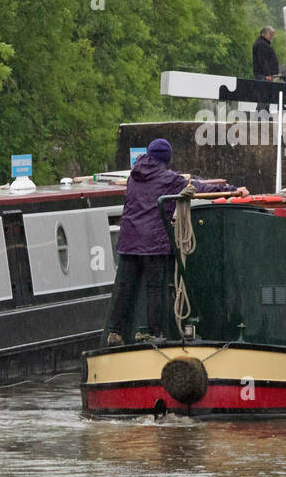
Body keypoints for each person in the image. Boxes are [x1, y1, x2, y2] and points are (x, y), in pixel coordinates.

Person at [106, 138, 247, 345]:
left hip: (128, 241)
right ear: (167, 158)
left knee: (124, 288)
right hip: (153, 243)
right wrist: (234, 189)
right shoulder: (169, 178)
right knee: (155, 288)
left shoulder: (134, 175)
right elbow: (200, 189)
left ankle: (114, 331)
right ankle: (155, 333)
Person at [252, 26, 279, 115]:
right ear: (264, 34)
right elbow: (263, 61)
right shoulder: (262, 44)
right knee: (263, 96)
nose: (272, 36)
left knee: (265, 96)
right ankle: (261, 115)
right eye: (270, 34)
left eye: (273, 35)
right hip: (263, 75)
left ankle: (264, 113)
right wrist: (267, 74)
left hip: (263, 75)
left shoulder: (263, 43)